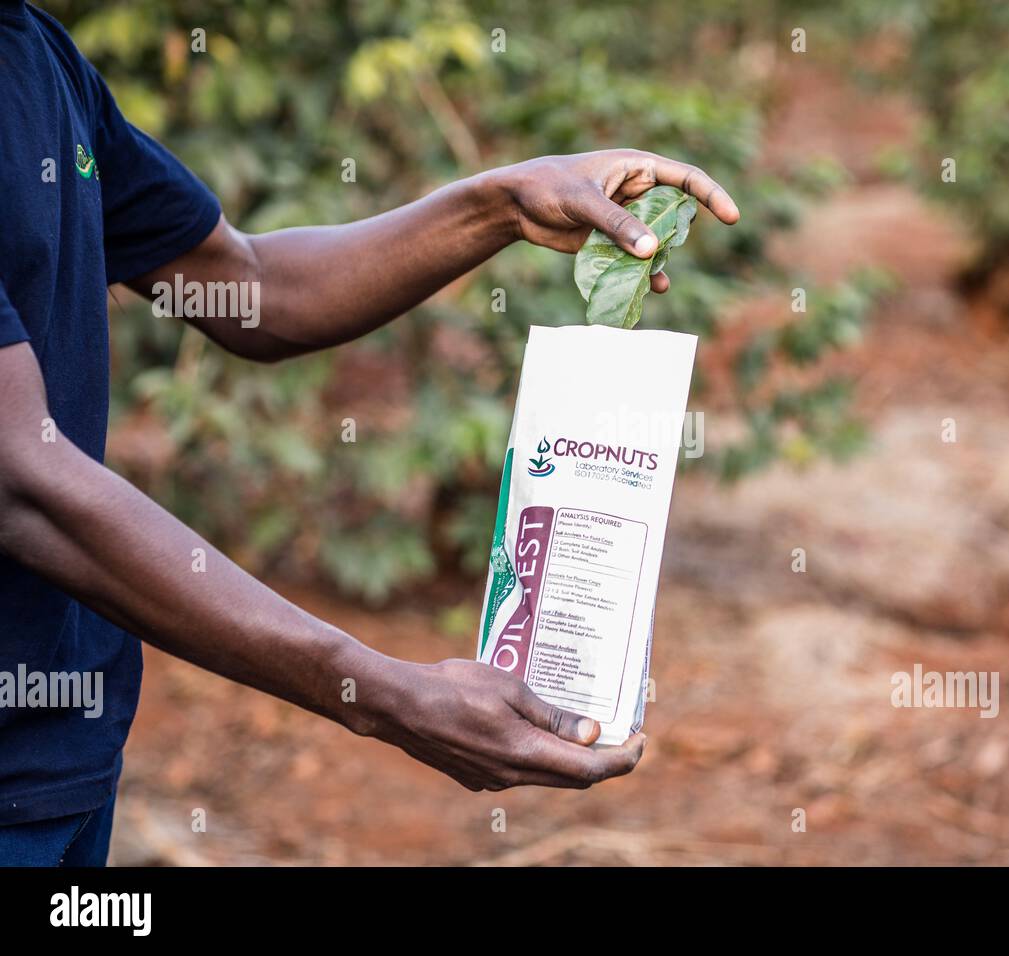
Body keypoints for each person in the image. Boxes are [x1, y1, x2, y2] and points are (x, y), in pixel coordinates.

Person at [0, 0, 740, 866]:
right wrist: (383, 694)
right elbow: (22, 481)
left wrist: (500, 202)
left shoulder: (39, 52)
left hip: (68, 754)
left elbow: (249, 285)